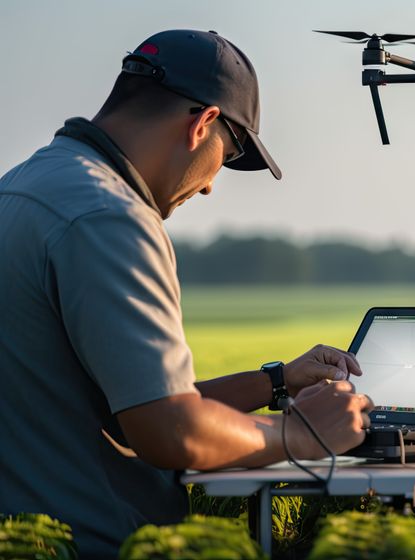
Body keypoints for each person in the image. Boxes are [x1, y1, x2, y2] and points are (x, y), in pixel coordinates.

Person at [0, 29, 373, 558]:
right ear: (203, 124)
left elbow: (130, 406)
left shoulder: (22, 186)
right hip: (93, 543)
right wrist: (300, 436)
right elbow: (168, 429)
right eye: (228, 155)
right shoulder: (111, 218)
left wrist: (276, 382)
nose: (210, 185)